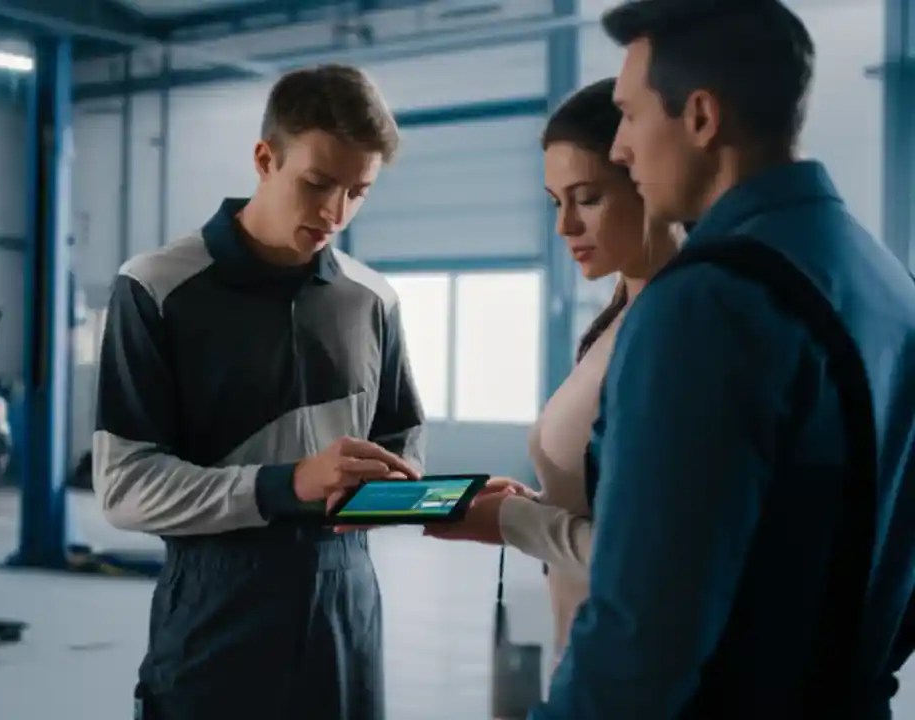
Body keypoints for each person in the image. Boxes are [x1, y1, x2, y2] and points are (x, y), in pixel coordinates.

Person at [519, 1, 915, 717]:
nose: (620, 149)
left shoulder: (705, 303)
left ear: (700, 117)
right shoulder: (883, 278)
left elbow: (640, 644)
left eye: (631, 116)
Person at [93, 63, 426, 720]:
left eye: (358, 192)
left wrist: (402, 492)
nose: (336, 212)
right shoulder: (156, 288)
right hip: (218, 610)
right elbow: (124, 487)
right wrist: (287, 483)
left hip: (347, 612)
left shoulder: (374, 300)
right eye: (318, 183)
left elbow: (403, 445)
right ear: (264, 158)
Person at [422, 77, 679, 670]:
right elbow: (604, 504)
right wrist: (533, 505)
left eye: (586, 197)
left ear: (647, 180)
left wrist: (512, 521)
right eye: (554, 201)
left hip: (631, 670)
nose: (564, 227)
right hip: (580, 656)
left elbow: (653, 557)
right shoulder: (618, 319)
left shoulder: (672, 333)